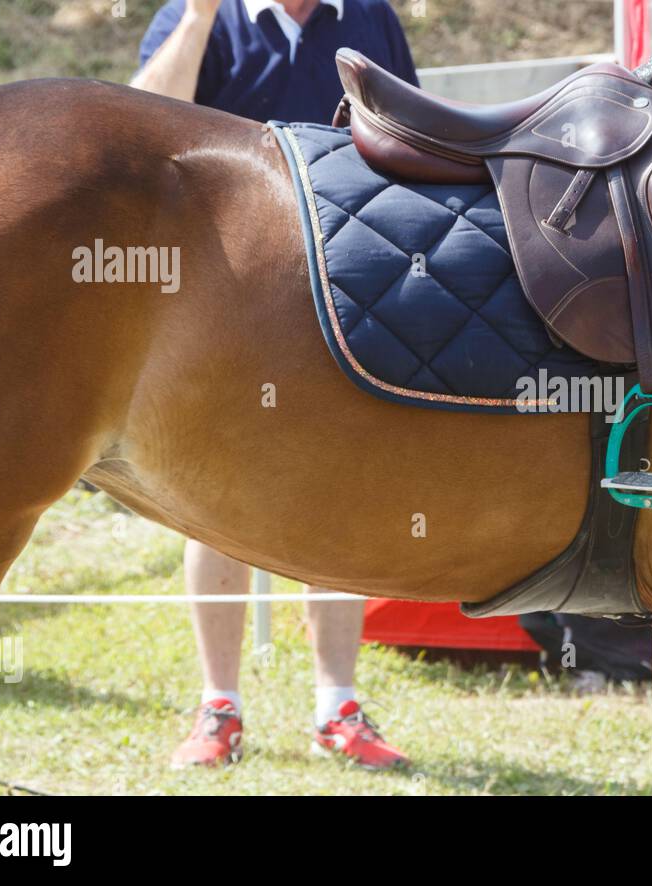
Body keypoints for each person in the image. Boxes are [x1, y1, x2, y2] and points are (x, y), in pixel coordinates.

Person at [132, 0, 418, 768]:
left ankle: (338, 707)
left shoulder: (370, 16)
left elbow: (414, 135)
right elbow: (145, 118)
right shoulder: (201, 18)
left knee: (344, 495)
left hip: (348, 295)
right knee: (212, 504)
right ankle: (218, 708)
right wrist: (195, 19)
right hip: (218, 305)